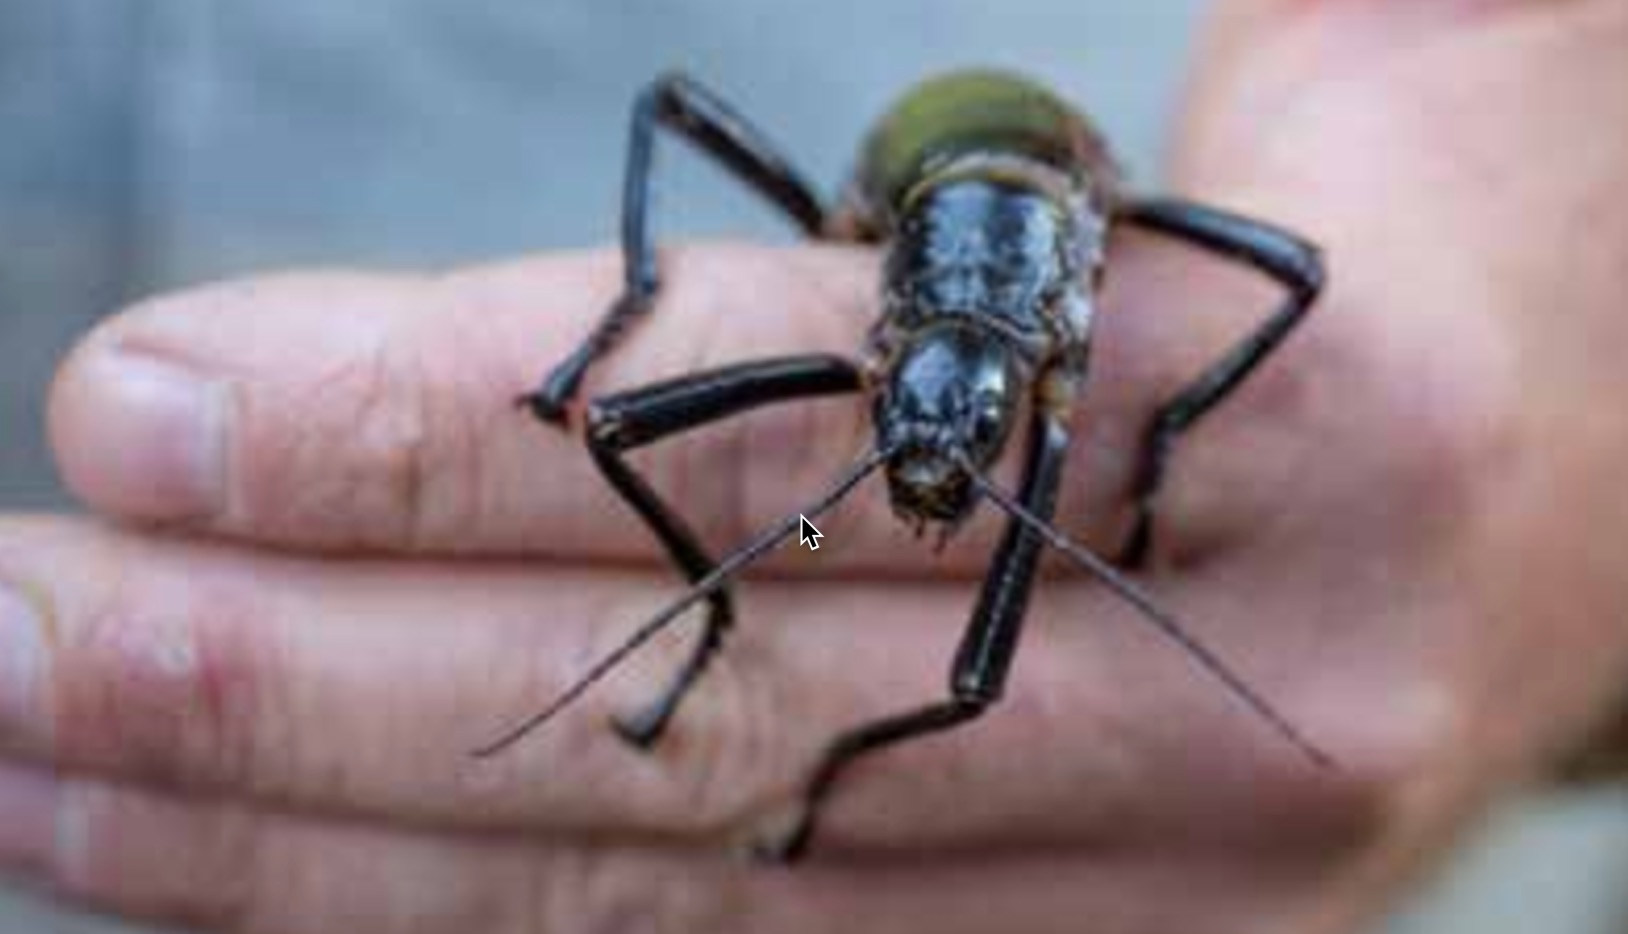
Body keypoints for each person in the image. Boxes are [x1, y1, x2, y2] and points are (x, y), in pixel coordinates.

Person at [3, 1, 1627, 931]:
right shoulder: (905, 321)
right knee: (628, 412)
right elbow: (664, 140)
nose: (930, 471)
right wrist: (639, 325)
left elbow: (1305, 284)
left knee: (988, 676)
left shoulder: (1061, 374)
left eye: (964, 443)